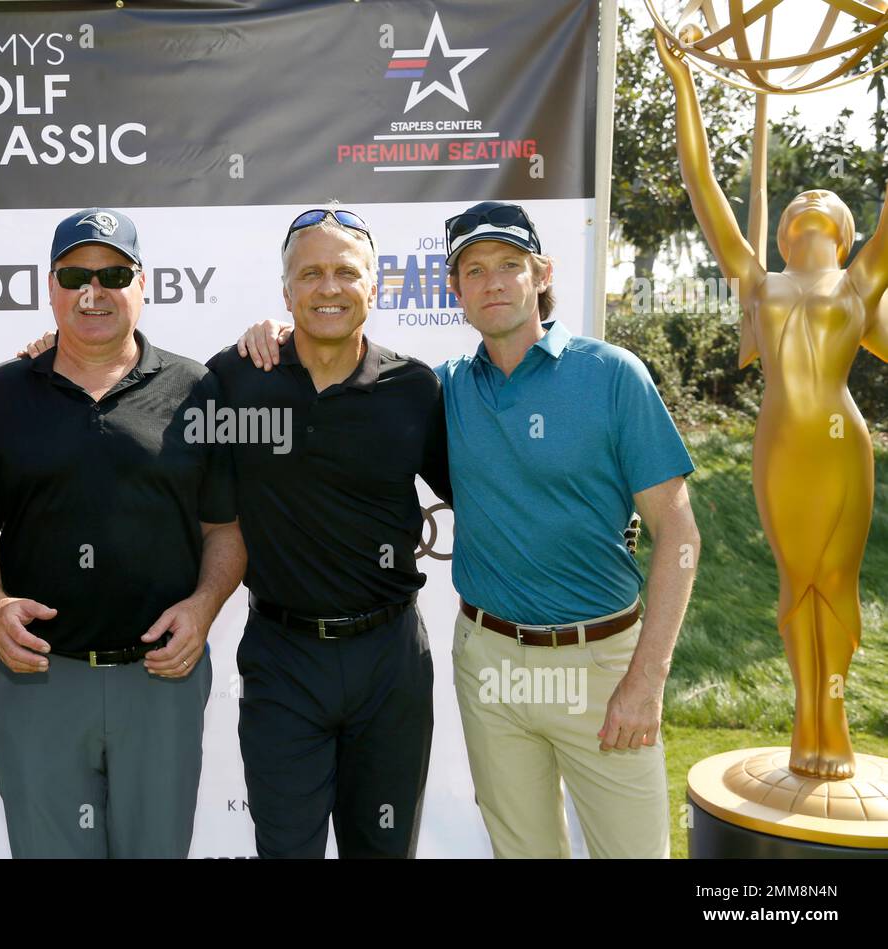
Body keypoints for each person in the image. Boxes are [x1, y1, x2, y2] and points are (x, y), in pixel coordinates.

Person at [241, 201, 700, 858]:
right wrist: (276, 333)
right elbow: (333, 367)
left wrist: (647, 680)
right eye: (474, 270)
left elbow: (678, 537)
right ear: (454, 289)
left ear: (542, 273)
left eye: (509, 265)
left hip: (601, 662)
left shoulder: (612, 374)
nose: (493, 283)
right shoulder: (441, 390)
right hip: (491, 662)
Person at [0, 208, 245, 859]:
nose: (93, 291)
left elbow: (224, 529)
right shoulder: (0, 394)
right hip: (39, 678)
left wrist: (203, 608)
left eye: (113, 274)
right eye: (74, 276)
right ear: (50, 287)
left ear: (143, 284)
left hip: (161, 680)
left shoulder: (198, 388)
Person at [660, 34, 888, 780]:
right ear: (784, 231)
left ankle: (834, 718)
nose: (812, 199)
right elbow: (702, 185)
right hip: (780, 448)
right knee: (797, 582)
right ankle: (805, 721)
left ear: (847, 233)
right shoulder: (757, 283)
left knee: (839, 581)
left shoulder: (861, 284)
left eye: (827, 200)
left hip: (842, 447)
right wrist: (685, 85)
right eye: (798, 201)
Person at [213, 208, 452, 858]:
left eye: (346, 272)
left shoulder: (415, 388)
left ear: (375, 286)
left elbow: (483, 497)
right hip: (282, 660)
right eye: (310, 273)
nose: (328, 288)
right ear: (285, 290)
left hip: (391, 662)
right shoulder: (236, 378)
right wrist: (50, 353)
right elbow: (139, 416)